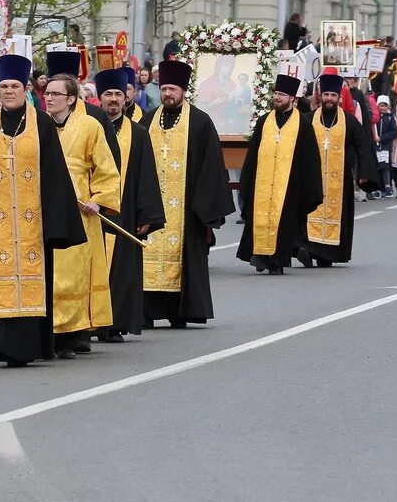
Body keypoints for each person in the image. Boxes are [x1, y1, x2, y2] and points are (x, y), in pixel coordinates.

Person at [0, 55, 86, 369]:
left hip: (32, 224)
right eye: (4, 86)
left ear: (25, 89)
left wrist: (56, 225)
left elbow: (55, 175)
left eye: (14, 86)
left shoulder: (41, 123)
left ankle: (19, 348)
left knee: (29, 283)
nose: (9, 91)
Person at [139, 60, 235, 324]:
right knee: (146, 257)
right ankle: (147, 312)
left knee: (184, 259)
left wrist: (204, 210)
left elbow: (211, 167)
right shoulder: (147, 121)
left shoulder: (201, 122)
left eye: (173, 89)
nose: (168, 94)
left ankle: (178, 313)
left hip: (187, 209)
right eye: (164, 89)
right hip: (152, 207)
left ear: (183, 91)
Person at [42, 73, 120, 358]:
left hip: (79, 213)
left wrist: (98, 200)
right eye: (47, 93)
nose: (49, 98)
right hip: (44, 209)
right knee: (48, 272)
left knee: (73, 273)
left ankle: (71, 335)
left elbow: (106, 169)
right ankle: (44, 334)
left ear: (71, 99)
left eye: (56, 94)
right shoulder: (37, 125)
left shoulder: (90, 126)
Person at [95, 68, 163, 341]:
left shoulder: (138, 133)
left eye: (118, 94)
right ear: (99, 97)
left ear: (126, 98)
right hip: (91, 212)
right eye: (108, 94)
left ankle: (114, 325)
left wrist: (146, 214)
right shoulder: (87, 128)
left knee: (122, 271)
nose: (113, 99)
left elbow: (146, 175)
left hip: (123, 214)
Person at [236, 75, 322, 275]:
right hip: (262, 184)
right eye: (275, 93)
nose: (277, 97)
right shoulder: (264, 121)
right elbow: (253, 154)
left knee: (283, 224)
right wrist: (246, 182)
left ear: (292, 98)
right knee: (258, 220)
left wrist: (308, 188)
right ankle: (260, 256)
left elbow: (310, 159)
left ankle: (276, 262)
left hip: (289, 186)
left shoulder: (302, 124)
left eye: (282, 94)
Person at [293, 74, 377, 269]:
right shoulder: (308, 119)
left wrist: (365, 173)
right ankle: (307, 250)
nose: (329, 99)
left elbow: (363, 146)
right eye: (326, 95)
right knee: (307, 213)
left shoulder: (349, 121)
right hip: (312, 179)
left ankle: (327, 255)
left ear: (339, 97)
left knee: (336, 215)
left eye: (333, 95)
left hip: (339, 181)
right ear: (321, 96)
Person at [46, 50, 120, 168]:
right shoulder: (42, 119)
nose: (50, 97)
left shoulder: (96, 115)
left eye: (56, 93)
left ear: (77, 83)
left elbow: (110, 158)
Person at [374, 96, 397, 198]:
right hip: (375, 146)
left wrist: (381, 138)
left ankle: (387, 186)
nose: (383, 108)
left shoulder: (390, 118)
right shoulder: (374, 117)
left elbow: (394, 132)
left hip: (385, 146)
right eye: (381, 105)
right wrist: (374, 138)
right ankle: (378, 188)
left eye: (385, 106)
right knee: (376, 167)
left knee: (385, 167)